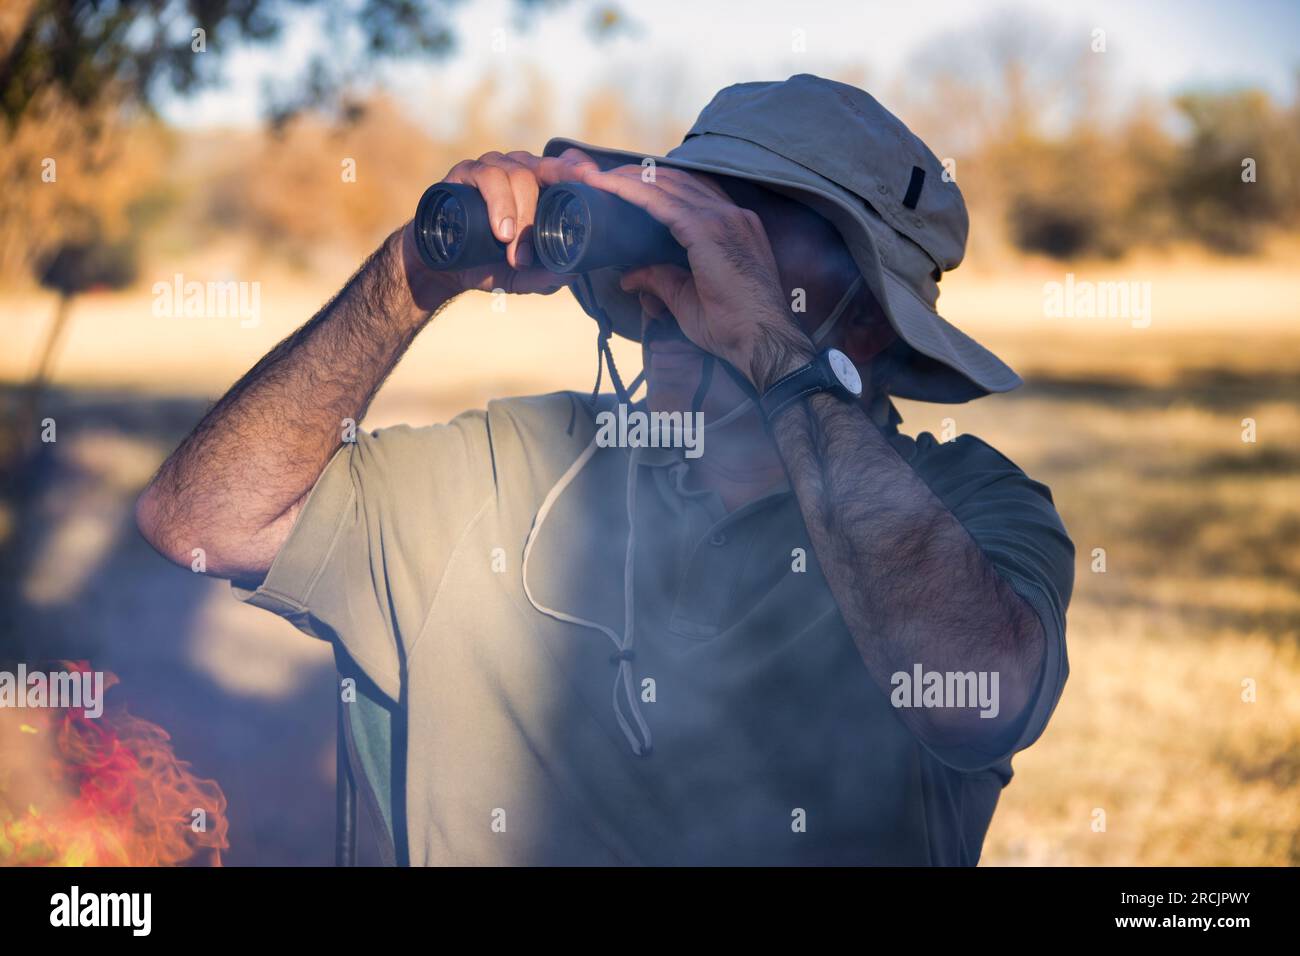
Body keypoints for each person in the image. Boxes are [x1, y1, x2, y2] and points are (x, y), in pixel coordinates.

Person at [136, 74, 1074, 865]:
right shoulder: (521, 470)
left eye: (731, 242)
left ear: (867, 323)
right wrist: (414, 272)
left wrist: (771, 351)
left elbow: (978, 695)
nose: (670, 283)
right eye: (674, 230)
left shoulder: (969, 510)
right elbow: (203, 524)